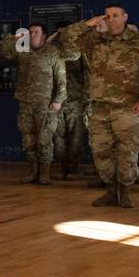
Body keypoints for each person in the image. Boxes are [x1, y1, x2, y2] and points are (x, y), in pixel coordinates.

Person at [59, 6, 139, 208]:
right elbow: (67, 40)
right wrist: (88, 24)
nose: (111, 19)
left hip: (127, 107)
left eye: (115, 16)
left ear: (125, 17)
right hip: (99, 107)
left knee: (127, 152)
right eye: (107, 16)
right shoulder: (94, 40)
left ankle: (125, 191)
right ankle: (111, 191)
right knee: (101, 152)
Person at [0, 22, 65, 185]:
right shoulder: (23, 50)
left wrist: (58, 100)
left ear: (44, 35)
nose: (31, 34)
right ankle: (33, 172)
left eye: (35, 32)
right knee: (28, 139)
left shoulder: (53, 53)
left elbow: (61, 79)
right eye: (30, 31)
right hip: (25, 102)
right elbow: (2, 51)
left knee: (45, 139)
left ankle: (44, 174)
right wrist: (14, 38)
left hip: (45, 104)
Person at [50, 25, 89, 180]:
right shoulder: (53, 52)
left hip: (76, 99)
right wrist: (53, 35)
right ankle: (62, 168)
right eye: (61, 33)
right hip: (58, 100)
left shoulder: (80, 51)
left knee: (76, 137)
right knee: (58, 137)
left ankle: (73, 168)